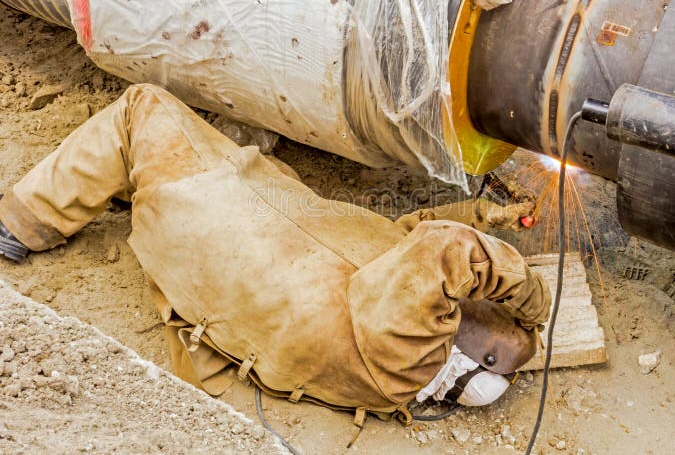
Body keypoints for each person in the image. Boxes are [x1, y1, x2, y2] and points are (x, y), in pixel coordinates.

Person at [0, 84, 551, 422]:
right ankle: (133, 183)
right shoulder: (400, 338)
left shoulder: (400, 348)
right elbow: (408, 236)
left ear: (473, 356)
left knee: (142, 109)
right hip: (246, 223)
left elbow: (450, 252)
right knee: (177, 156)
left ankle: (23, 221)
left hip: (215, 215)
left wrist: (529, 296)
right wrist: (483, 216)